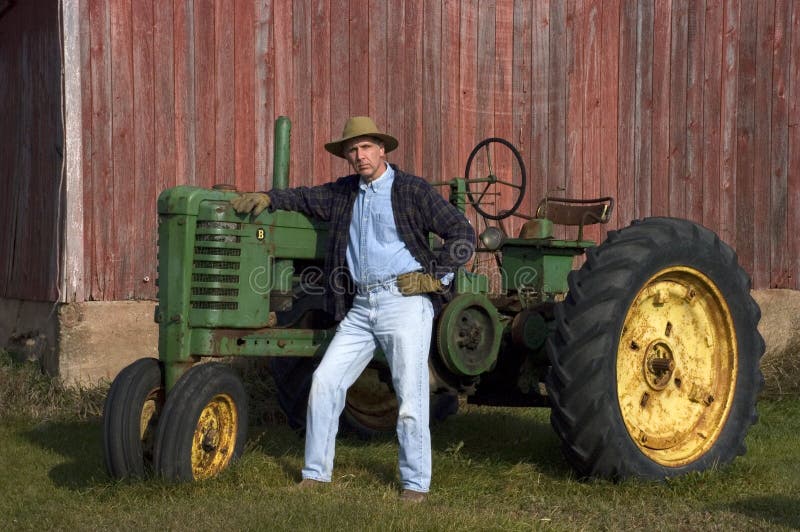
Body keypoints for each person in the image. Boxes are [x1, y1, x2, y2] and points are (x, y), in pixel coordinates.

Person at [231, 116, 474, 502]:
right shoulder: (345, 193)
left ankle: (415, 485)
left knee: (410, 398)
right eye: (352, 150)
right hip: (361, 307)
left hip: (404, 303)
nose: (359, 156)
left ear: (382, 150)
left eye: (365, 148)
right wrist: (269, 197)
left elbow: (462, 232)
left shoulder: (412, 191)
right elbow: (306, 198)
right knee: (325, 382)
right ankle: (315, 474)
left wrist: (436, 277)